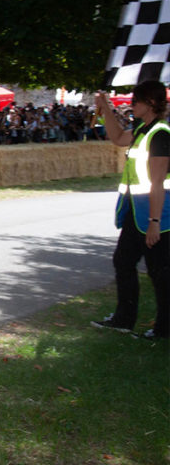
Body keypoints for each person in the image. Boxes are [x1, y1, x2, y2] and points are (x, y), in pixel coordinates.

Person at [92, 80, 170, 340]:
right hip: (135, 213)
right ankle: (123, 320)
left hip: (156, 215)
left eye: (135, 101)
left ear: (150, 104)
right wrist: (105, 108)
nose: (131, 105)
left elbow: (158, 182)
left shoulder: (160, 134)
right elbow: (116, 138)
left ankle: (164, 329)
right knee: (123, 261)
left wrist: (155, 221)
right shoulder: (141, 128)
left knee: (159, 272)